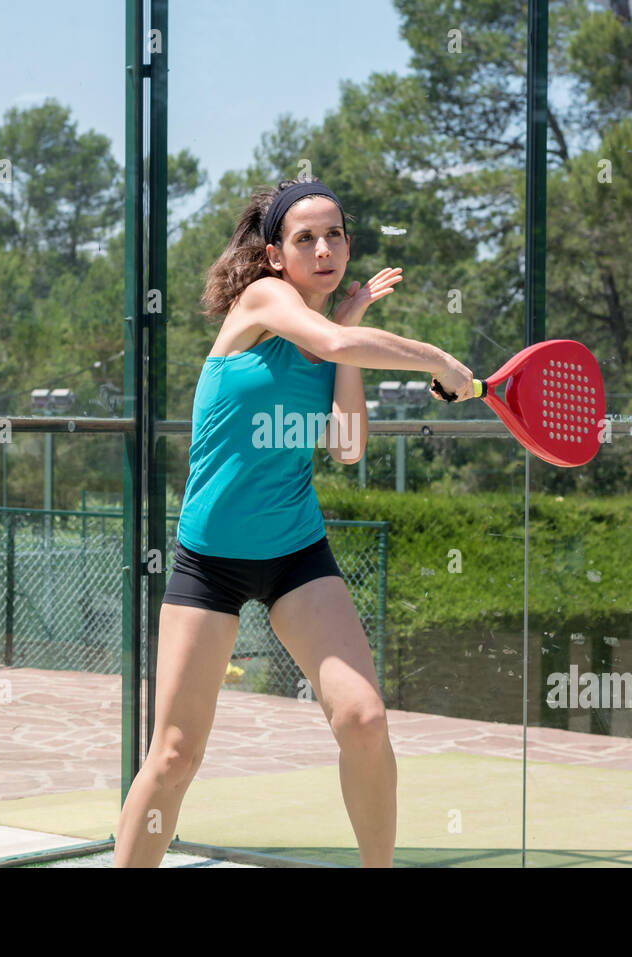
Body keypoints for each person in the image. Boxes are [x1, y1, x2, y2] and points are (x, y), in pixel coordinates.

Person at [112, 176, 474, 867]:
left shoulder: (333, 337)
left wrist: (350, 322)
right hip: (210, 558)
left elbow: (346, 447)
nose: (323, 246)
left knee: (364, 719)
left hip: (295, 554)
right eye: (304, 237)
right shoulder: (263, 300)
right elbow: (334, 344)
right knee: (175, 754)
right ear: (276, 255)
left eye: (335, 233)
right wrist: (438, 360)